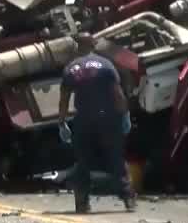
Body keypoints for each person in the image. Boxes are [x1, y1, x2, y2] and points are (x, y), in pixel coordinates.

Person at [57, 32, 136, 213]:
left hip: (83, 120)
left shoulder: (71, 68)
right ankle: (128, 198)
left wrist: (62, 123)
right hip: (108, 119)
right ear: (93, 45)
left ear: (78, 47)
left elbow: (63, 99)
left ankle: (82, 202)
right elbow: (118, 94)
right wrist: (124, 116)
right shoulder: (106, 65)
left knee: (82, 161)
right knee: (116, 157)